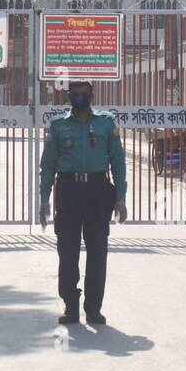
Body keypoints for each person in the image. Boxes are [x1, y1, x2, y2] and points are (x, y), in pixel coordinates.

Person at [39, 80, 128, 325]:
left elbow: (118, 163)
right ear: (69, 95)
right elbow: (47, 165)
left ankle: (93, 308)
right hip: (68, 191)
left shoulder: (106, 123)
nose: (79, 95)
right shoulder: (58, 125)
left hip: (98, 192)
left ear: (91, 93)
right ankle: (71, 306)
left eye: (83, 92)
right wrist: (43, 200)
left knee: (98, 251)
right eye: (74, 92)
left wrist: (120, 198)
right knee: (67, 252)